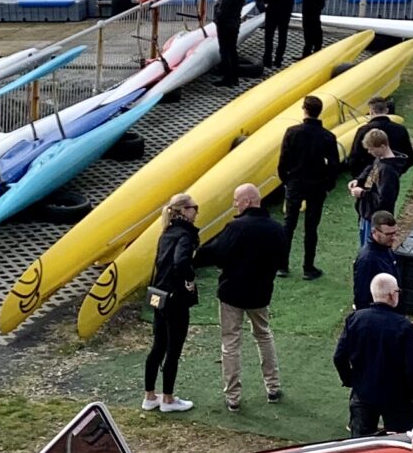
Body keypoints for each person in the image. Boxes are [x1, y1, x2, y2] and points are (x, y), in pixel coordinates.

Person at [206, 184, 288, 410]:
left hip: (231, 292)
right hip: (260, 293)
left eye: (236, 200)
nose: (234, 204)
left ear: (247, 202)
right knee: (264, 336)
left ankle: (233, 396)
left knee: (230, 343)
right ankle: (273, 387)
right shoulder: (276, 229)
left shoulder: (235, 227)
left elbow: (218, 254)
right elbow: (282, 260)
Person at [335, 274, 413, 437]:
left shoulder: (355, 319)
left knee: (360, 445)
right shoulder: (403, 326)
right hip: (397, 397)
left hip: (363, 393)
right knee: (400, 442)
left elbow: (339, 357)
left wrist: (351, 380)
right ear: (392, 295)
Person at [142, 195, 199, 414]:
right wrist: (189, 280)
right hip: (176, 298)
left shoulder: (166, 232)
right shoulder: (185, 235)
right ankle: (168, 397)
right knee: (174, 349)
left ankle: (149, 395)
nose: (196, 211)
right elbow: (181, 262)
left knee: (158, 345)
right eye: (194, 207)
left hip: (159, 294)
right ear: (184, 210)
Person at [275, 93, 341, 279]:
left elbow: (283, 160)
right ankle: (308, 267)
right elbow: (334, 164)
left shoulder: (292, 132)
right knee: (311, 227)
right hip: (317, 185)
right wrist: (328, 185)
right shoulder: (327, 136)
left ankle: (282, 265)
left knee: (289, 224)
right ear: (320, 111)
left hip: (295, 182)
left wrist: (286, 180)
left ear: (304, 110)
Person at [348, 128, 402, 246]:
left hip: (376, 220)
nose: (369, 152)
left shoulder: (388, 171)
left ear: (382, 146)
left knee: (371, 248)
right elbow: (371, 168)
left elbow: (383, 200)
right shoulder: (381, 159)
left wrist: (362, 193)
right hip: (368, 214)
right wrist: (359, 180)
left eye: (371, 149)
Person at [352, 96, 413, 173]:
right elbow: (409, 158)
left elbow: (354, 158)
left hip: (368, 174)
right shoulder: (400, 129)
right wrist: (398, 171)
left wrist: (361, 176)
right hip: (393, 172)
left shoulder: (363, 130)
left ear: (371, 112)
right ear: (387, 110)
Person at [352, 211, 402, 307]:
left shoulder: (385, 247)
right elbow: (361, 297)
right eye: (388, 234)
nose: (393, 238)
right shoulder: (367, 260)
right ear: (374, 231)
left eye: (395, 233)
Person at [213, 0, 247, 86]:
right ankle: (234, 77)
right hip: (235, 21)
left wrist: (217, 19)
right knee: (232, 49)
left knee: (225, 50)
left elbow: (223, 8)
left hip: (225, 23)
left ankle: (227, 78)